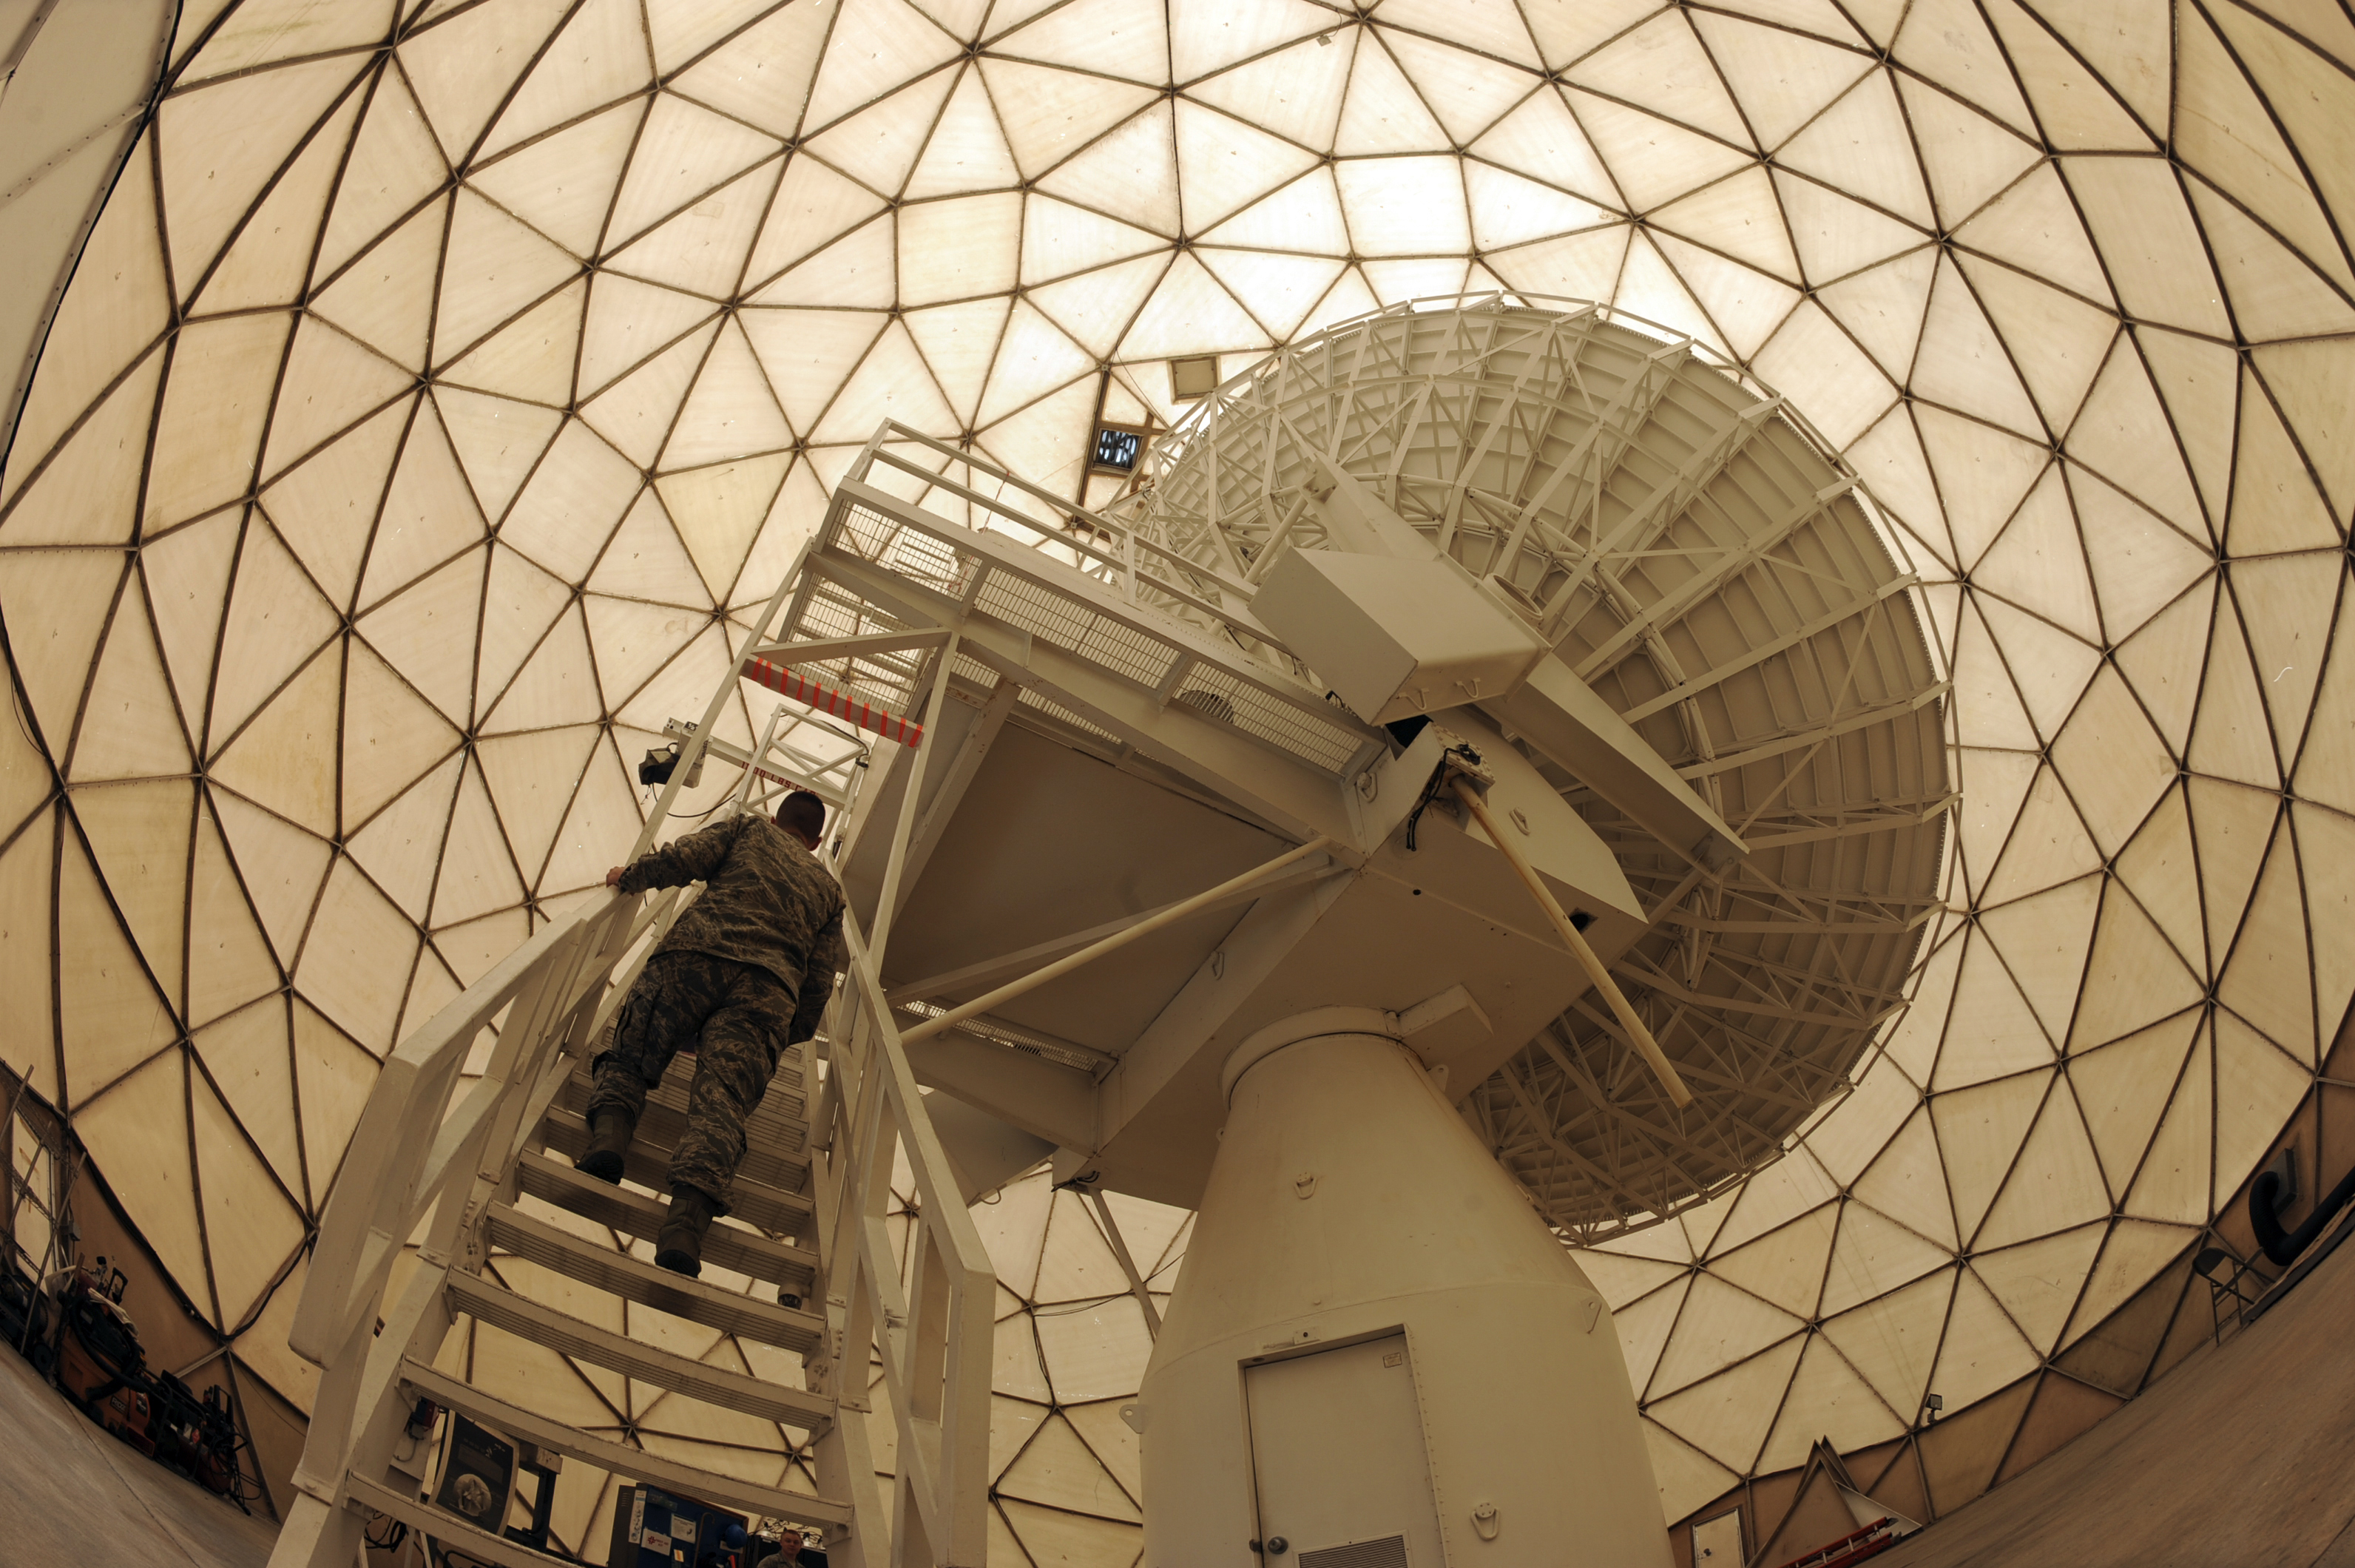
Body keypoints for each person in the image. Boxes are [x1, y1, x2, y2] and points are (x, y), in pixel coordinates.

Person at [584, 789, 846, 1277]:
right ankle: (684, 1228)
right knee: (723, 1104)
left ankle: (608, 1143)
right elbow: (817, 983)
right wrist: (780, 1031)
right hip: (765, 996)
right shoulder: (830, 893)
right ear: (815, 842)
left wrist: (632, 876)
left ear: (774, 818)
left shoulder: (748, 830)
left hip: (693, 958)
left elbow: (686, 859)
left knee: (634, 1054)